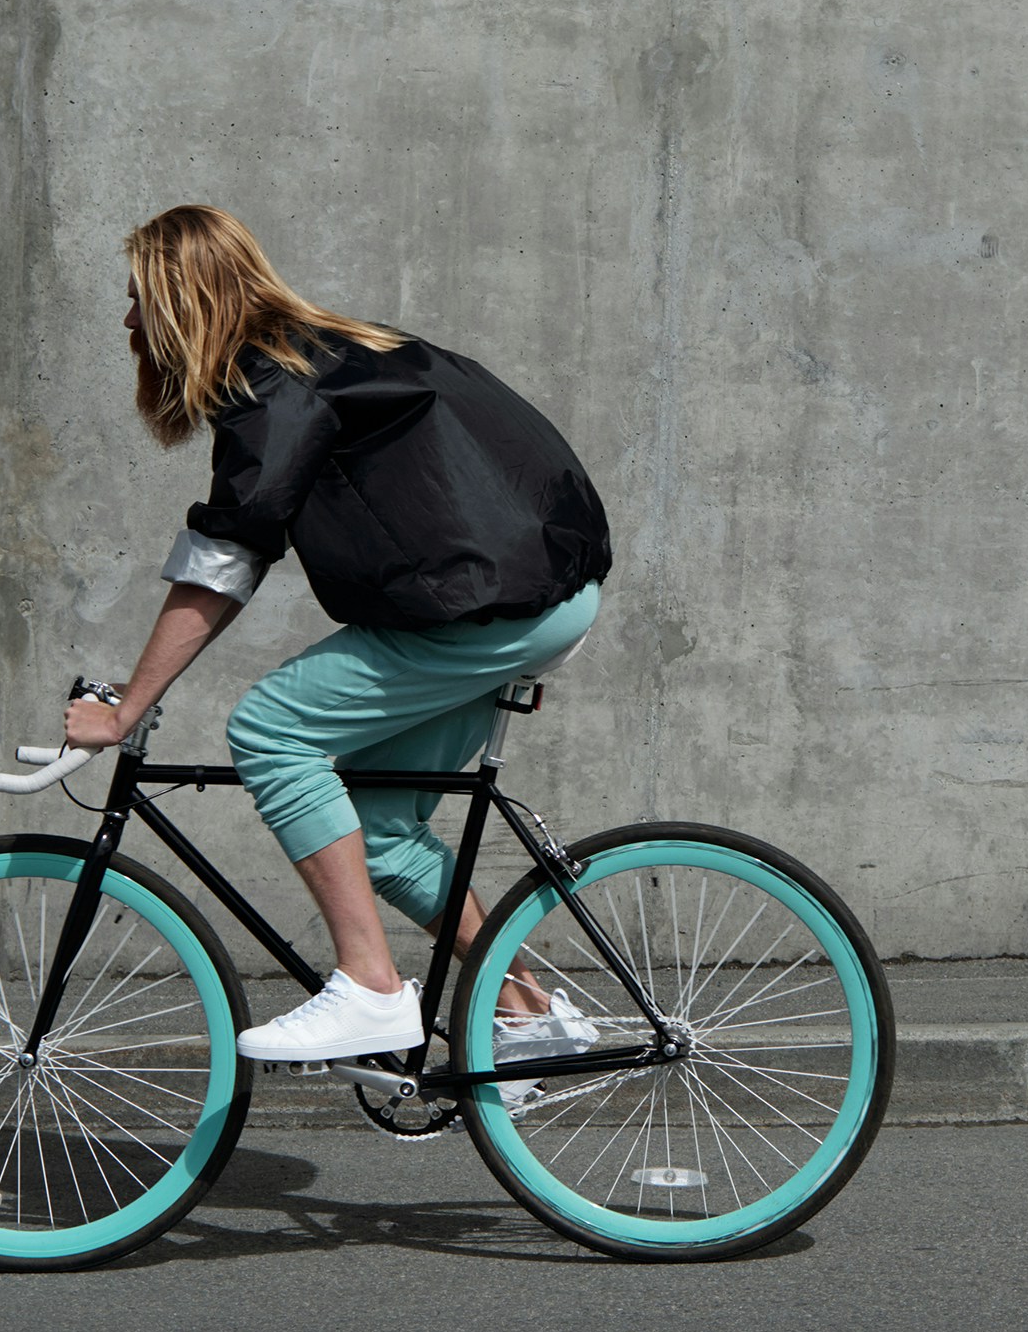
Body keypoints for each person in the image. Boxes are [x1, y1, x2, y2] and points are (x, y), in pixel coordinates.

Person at [57, 206, 613, 1066]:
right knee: (380, 827)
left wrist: (126, 709)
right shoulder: (337, 352)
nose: (127, 319)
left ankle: (370, 985)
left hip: (493, 605)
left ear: (178, 301)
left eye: (137, 298)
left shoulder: (274, 384)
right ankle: (529, 1012)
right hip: (531, 595)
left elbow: (229, 553)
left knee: (270, 728)